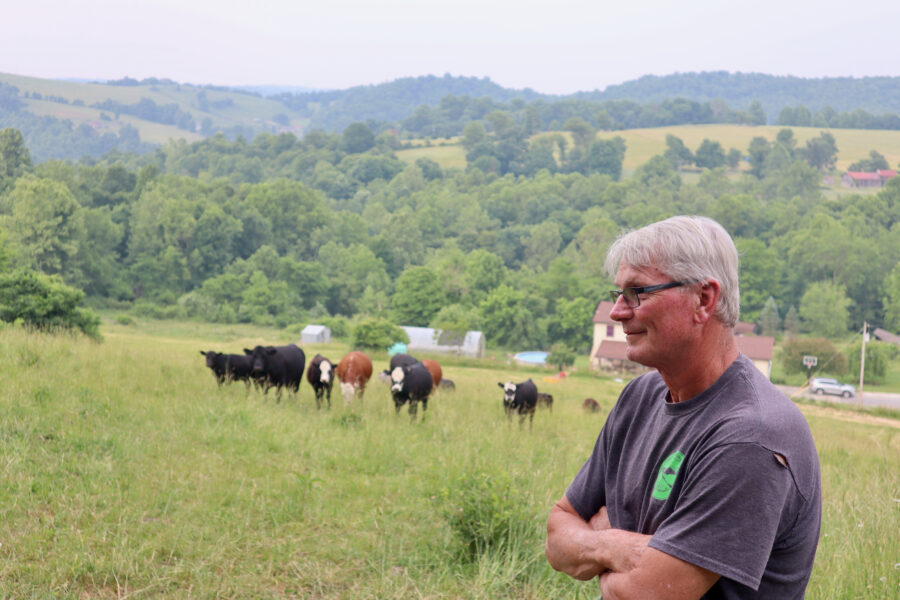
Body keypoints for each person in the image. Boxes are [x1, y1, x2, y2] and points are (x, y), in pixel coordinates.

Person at [545, 216, 821, 599]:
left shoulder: (752, 437)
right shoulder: (638, 398)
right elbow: (558, 532)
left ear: (703, 299)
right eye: (619, 294)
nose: (618, 311)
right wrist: (620, 547)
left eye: (638, 292)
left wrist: (600, 536)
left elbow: (642, 594)